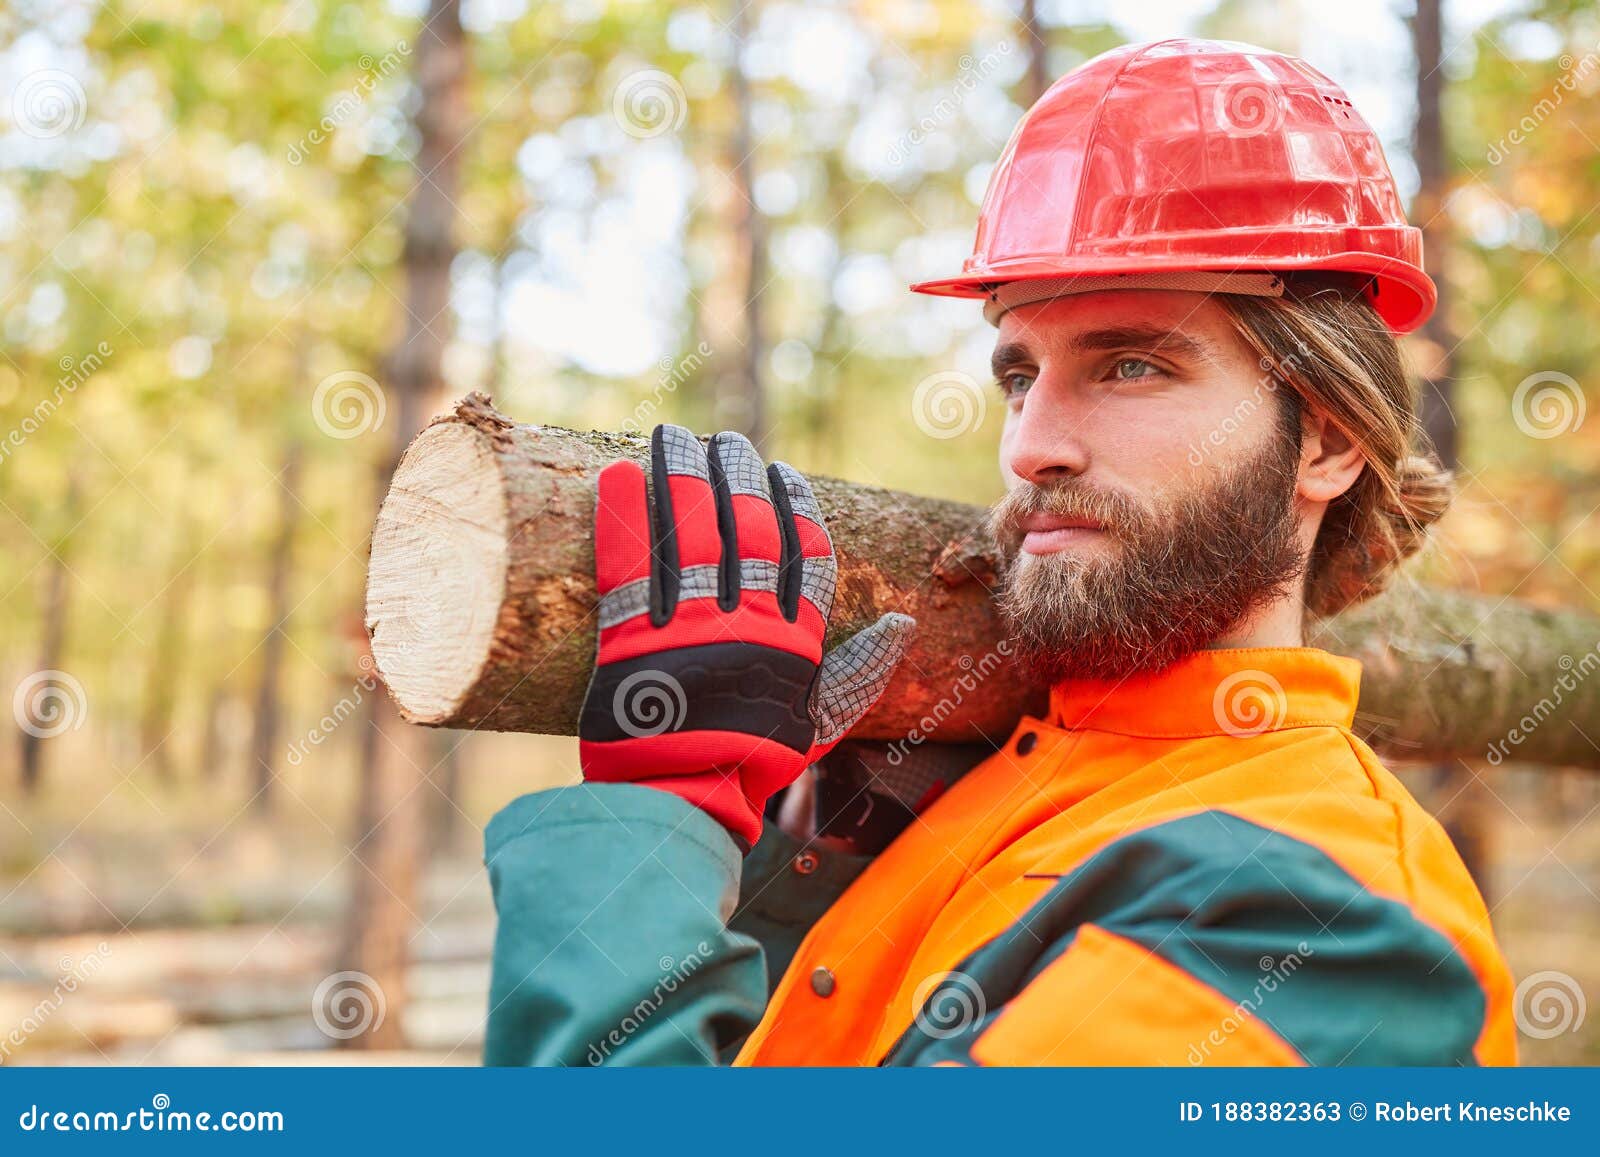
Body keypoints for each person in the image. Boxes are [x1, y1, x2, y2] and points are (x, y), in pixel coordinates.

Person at [481, 38, 1516, 1066]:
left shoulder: (1316, 911)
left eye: (1132, 366)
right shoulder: (988, 775)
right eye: (1019, 376)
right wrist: (789, 856)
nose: (1029, 445)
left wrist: (653, 841)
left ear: (1326, 439)